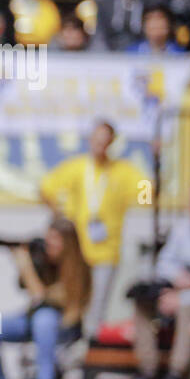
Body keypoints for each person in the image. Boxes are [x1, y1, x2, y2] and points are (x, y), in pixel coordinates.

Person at [39, 119, 147, 340]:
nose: (100, 144)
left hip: (106, 251)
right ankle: (68, 347)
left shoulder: (122, 171)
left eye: (105, 140)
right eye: (96, 138)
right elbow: (45, 188)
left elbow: (146, 191)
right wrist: (59, 217)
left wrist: (156, 162)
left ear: (112, 143)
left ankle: (88, 352)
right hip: (77, 253)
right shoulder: (76, 167)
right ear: (90, 139)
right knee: (72, 303)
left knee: (96, 309)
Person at [0, 218, 91, 379]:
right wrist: (29, 262)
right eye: (48, 237)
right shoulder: (41, 258)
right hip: (31, 321)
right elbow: (26, 291)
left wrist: (25, 265)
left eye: (55, 239)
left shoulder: (79, 269)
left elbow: (42, 298)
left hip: (63, 325)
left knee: (45, 319)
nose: (49, 243)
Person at [129, 183, 190, 379]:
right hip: (177, 289)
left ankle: (176, 374)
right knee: (143, 303)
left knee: (187, 308)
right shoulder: (182, 228)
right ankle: (148, 370)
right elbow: (163, 263)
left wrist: (183, 296)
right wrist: (177, 277)